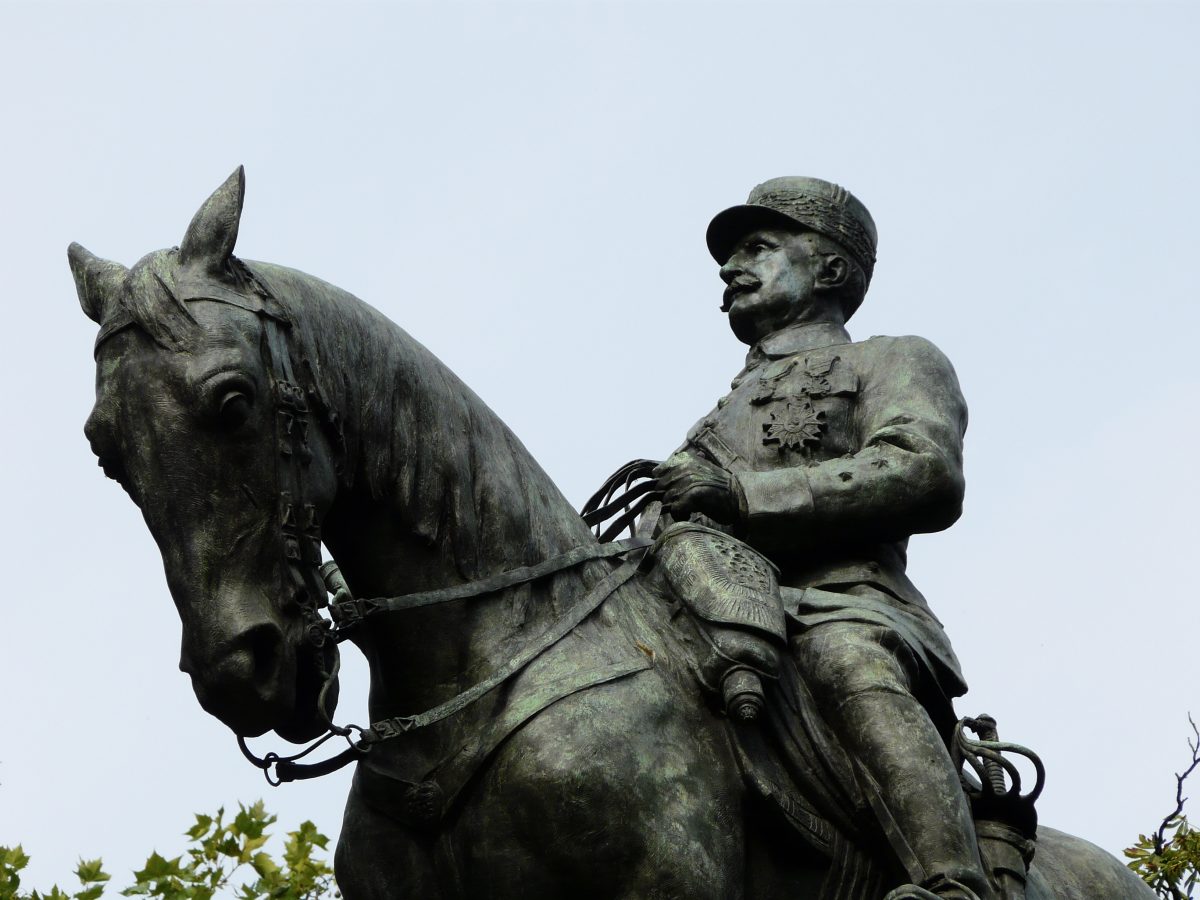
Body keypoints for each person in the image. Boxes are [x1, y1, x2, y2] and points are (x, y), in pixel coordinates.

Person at [652, 177, 992, 900]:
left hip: (849, 602)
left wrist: (743, 496)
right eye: (730, 255)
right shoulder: (715, 419)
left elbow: (923, 470)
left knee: (843, 660)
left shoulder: (893, 358)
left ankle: (949, 881)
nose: (729, 267)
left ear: (831, 269)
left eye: (758, 247)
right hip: (721, 616)